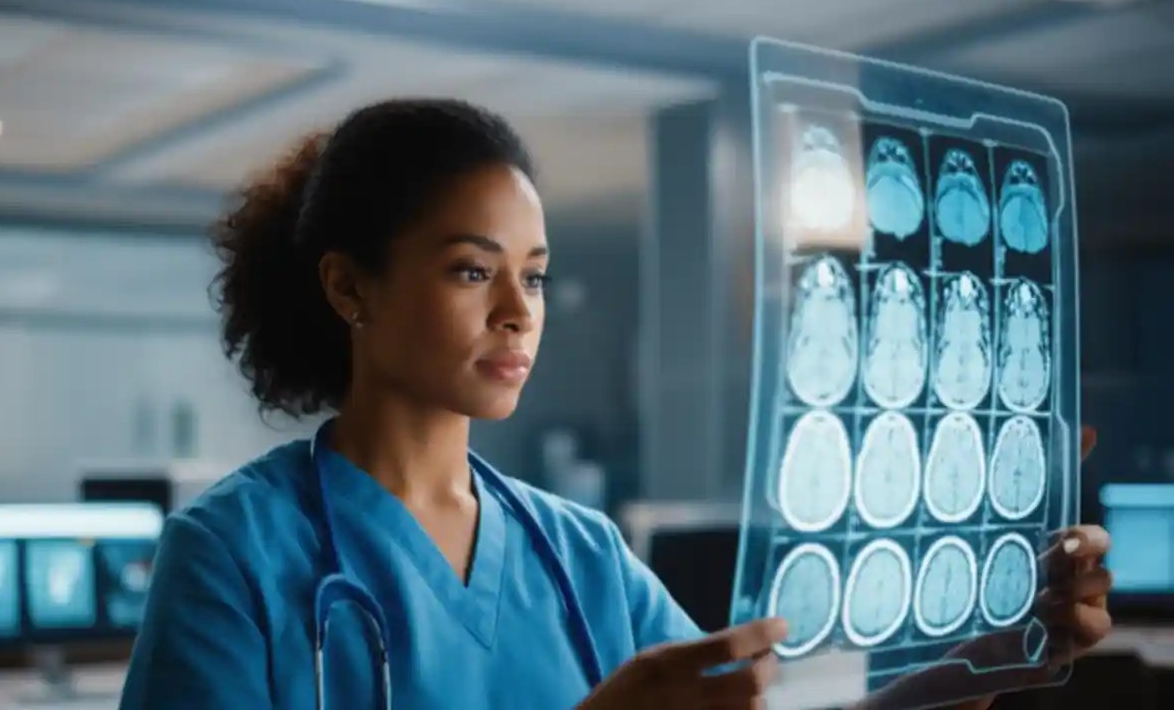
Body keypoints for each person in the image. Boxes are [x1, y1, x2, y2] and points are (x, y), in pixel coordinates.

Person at [118, 99, 1112, 710]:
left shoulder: (574, 553)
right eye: (472, 271)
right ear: (349, 288)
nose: (518, 313)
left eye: (536, 277)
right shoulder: (230, 556)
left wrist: (979, 661)